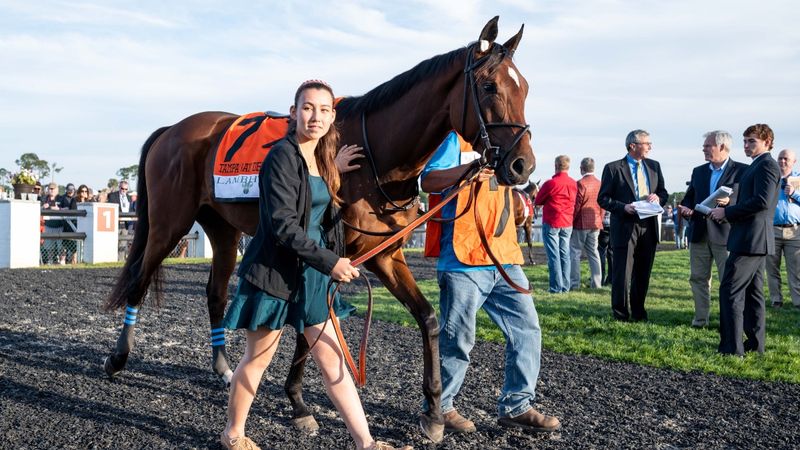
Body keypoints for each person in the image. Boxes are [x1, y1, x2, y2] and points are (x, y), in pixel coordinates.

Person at [220, 80, 411, 450]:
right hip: (274, 273)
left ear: (332, 116)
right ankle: (233, 434)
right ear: (293, 113)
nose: (315, 116)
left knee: (332, 359)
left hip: (311, 277)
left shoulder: (322, 157)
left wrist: (333, 173)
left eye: (324, 110)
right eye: (308, 108)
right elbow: (282, 225)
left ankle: (366, 444)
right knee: (258, 360)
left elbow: (317, 205)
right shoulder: (280, 156)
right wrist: (331, 262)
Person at [420, 131, 561, 435]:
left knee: (528, 330)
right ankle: (441, 408)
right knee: (458, 338)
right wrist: (468, 170)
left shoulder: (508, 144)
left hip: (505, 257)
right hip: (463, 258)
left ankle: (517, 406)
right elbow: (428, 180)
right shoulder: (456, 141)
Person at [709, 124, 781, 356]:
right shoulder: (758, 165)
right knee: (753, 294)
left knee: (730, 290)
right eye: (745, 141)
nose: (746, 145)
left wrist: (727, 213)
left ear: (767, 141)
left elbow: (762, 201)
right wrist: (730, 205)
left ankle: (732, 348)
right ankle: (754, 344)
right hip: (750, 237)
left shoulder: (767, 165)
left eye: (752, 141)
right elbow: (754, 199)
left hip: (752, 239)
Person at [678, 131, 748, 327]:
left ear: (722, 147)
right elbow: (690, 198)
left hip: (726, 234)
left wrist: (730, 201)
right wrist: (686, 209)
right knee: (698, 278)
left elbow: (747, 199)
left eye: (708, 146)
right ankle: (700, 320)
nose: (704, 149)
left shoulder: (742, 171)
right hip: (699, 233)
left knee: (729, 281)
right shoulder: (698, 171)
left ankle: (730, 322)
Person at [598, 129, 668, 322]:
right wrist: (623, 207)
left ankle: (639, 312)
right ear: (633, 146)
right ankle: (620, 313)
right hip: (624, 225)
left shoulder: (654, 166)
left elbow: (664, 193)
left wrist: (658, 197)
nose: (650, 146)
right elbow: (603, 199)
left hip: (649, 225)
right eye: (647, 143)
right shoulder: (613, 168)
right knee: (622, 272)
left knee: (643, 271)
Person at [533, 155, 577, 293]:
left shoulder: (550, 184)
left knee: (554, 256)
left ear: (556, 166)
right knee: (565, 254)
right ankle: (565, 285)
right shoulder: (574, 183)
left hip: (552, 221)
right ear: (568, 167)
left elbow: (538, 201)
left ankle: (556, 287)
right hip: (567, 222)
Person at [766, 149, 800, 309]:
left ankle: (798, 301)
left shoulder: (799, 179)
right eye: (780, 158)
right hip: (772, 230)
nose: (782, 161)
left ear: (794, 161)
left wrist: (795, 193)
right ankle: (776, 300)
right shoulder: (770, 178)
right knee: (772, 267)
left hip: (795, 231)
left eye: (786, 159)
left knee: (797, 268)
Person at [570, 157, 604, 289]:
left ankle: (574, 283)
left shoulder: (580, 183)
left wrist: (571, 220)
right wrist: (600, 218)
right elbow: (603, 205)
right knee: (593, 253)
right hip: (595, 222)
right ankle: (597, 283)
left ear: (581, 169)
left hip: (581, 223)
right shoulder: (600, 183)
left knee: (575, 253)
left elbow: (577, 205)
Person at [40, 182, 63, 265]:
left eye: (53, 189)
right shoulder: (44, 198)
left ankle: (62, 262)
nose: (52, 190)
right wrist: (43, 207)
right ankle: (50, 262)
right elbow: (38, 208)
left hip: (59, 225)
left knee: (61, 247)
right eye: (50, 188)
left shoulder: (61, 198)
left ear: (57, 189)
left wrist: (58, 209)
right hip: (48, 225)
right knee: (50, 247)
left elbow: (66, 208)